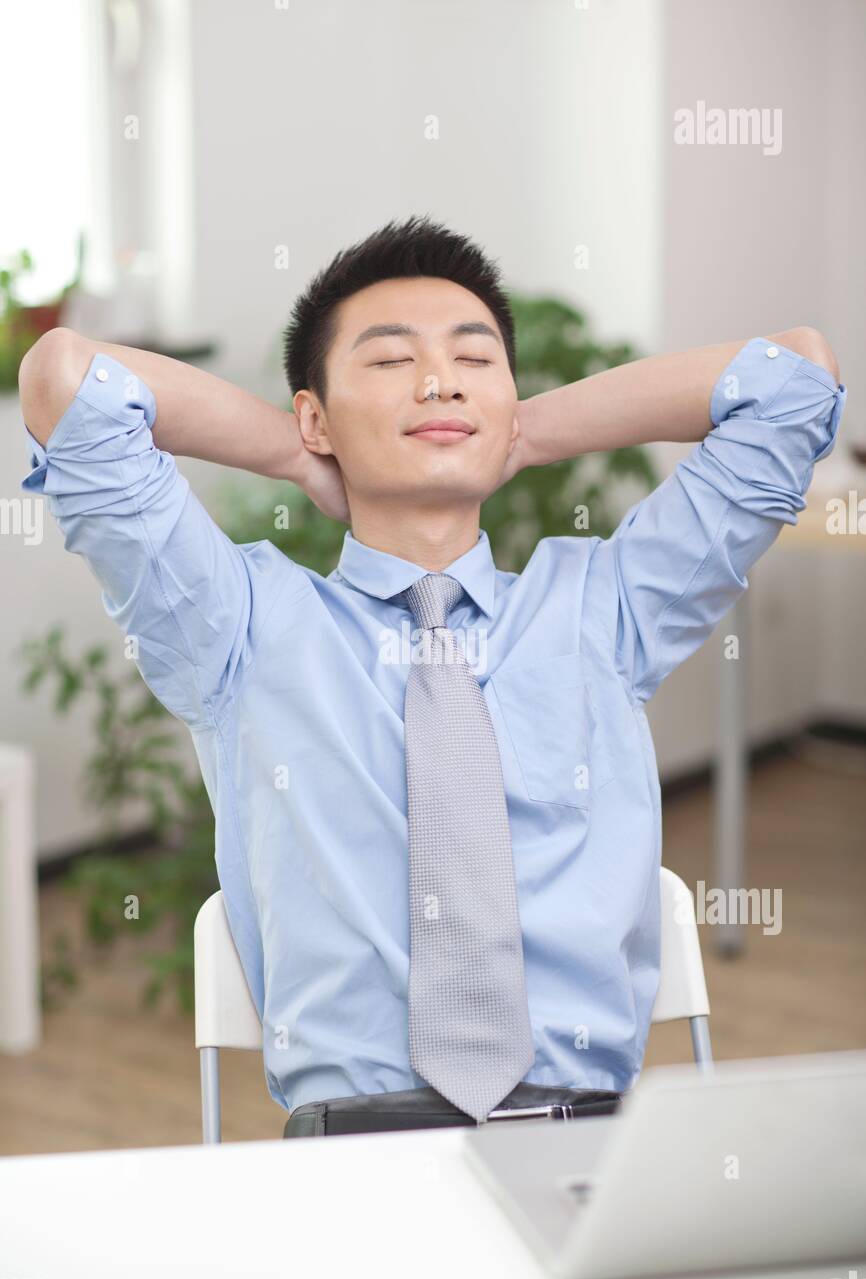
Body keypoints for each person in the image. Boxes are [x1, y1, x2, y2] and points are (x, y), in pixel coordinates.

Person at [18, 214, 845, 1138]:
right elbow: (66, 379)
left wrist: (520, 434)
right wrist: (296, 453)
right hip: (359, 1146)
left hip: (591, 1138)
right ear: (316, 410)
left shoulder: (604, 608)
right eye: (387, 360)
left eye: (474, 359)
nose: (439, 379)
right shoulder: (239, 626)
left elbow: (796, 379)